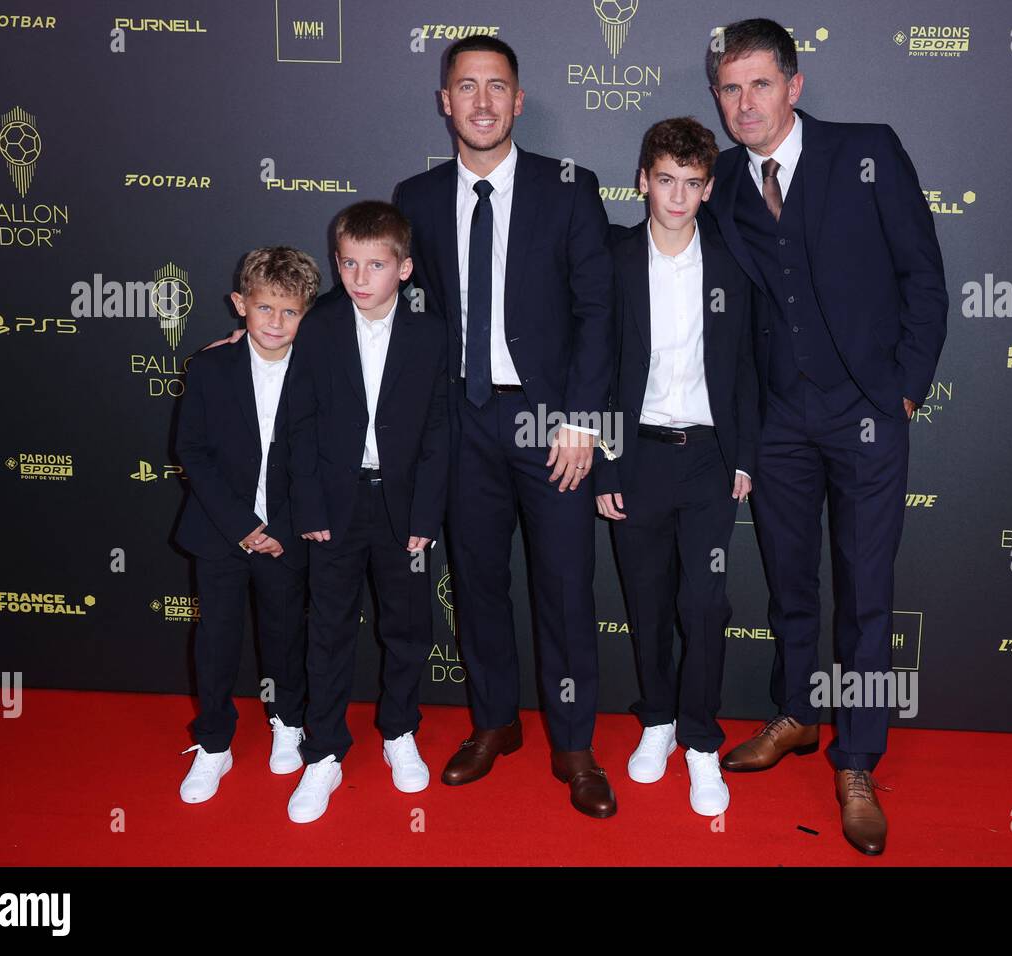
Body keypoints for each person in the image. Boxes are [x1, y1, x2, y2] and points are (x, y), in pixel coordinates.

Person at [704, 18, 948, 854]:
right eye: (731, 89)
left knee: (866, 595)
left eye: (760, 84)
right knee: (791, 586)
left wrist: (906, 390)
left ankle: (858, 759)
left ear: (795, 85)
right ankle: (798, 714)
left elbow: (924, 272)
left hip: (867, 415)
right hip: (776, 422)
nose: (746, 103)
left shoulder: (865, 151)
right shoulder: (725, 185)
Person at [395, 35, 617, 818]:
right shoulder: (415, 198)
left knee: (564, 585)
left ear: (519, 101)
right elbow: (381, 301)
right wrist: (266, 334)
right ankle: (494, 723)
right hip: (458, 421)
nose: (482, 101)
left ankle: (575, 741)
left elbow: (598, 312)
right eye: (466, 87)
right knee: (478, 583)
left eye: (497, 87)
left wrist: (584, 417)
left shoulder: (569, 187)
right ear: (444, 102)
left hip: (550, 421)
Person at [594, 117, 758, 818]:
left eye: (693, 184)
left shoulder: (730, 263)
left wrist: (745, 455)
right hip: (637, 456)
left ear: (709, 188)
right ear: (643, 181)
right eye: (666, 181)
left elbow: (749, 365)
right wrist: (604, 468)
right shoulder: (613, 259)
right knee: (649, 603)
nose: (678, 196)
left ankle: (699, 740)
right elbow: (595, 371)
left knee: (706, 604)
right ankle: (657, 718)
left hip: (710, 459)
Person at [283, 200, 449, 823]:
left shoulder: (431, 331)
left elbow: (439, 429)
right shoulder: (320, 324)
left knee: (406, 626)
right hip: (336, 503)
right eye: (348, 263)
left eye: (374, 265)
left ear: (403, 269)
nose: (359, 277)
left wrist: (425, 517)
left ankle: (399, 729)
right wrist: (309, 504)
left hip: (403, 505)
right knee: (328, 627)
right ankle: (323, 751)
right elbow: (297, 421)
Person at [173, 246, 321, 805]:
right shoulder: (211, 366)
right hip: (220, 534)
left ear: (307, 313)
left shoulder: (319, 370)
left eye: (290, 311)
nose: (276, 323)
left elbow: (327, 456)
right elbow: (191, 451)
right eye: (264, 309)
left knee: (286, 632)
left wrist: (282, 525)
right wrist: (242, 526)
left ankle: (288, 721)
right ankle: (214, 742)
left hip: (287, 534)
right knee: (217, 638)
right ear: (241, 305)